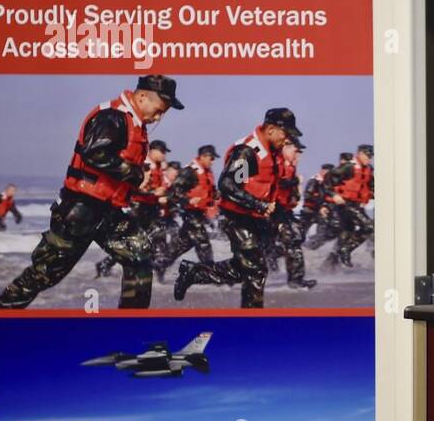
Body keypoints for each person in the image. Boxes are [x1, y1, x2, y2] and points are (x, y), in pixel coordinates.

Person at [0, 75, 182, 309]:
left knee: (140, 255)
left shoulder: (134, 122)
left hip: (108, 212)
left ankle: (130, 327)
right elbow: (95, 153)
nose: (158, 117)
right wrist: (135, 175)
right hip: (78, 211)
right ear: (142, 97)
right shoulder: (113, 117)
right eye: (159, 110)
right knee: (45, 274)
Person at [173, 108, 302, 308]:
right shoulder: (249, 152)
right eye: (285, 134)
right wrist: (258, 204)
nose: (287, 139)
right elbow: (228, 185)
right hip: (237, 217)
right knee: (256, 270)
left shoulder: (273, 152)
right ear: (270, 130)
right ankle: (251, 317)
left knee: (245, 267)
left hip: (256, 218)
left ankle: (195, 272)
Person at [95, 138, 170, 278]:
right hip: (139, 207)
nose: (164, 155)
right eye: (162, 151)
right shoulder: (145, 165)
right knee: (134, 240)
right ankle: (106, 264)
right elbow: (135, 187)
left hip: (151, 207)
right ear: (153, 151)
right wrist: (155, 192)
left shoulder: (159, 166)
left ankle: (156, 271)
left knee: (157, 238)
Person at [154, 145, 219, 279]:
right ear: (202, 157)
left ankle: (159, 265)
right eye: (211, 158)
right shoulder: (190, 171)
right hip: (191, 214)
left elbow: (210, 190)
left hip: (200, 214)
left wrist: (216, 196)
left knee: (181, 245)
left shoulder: (206, 172)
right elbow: (173, 191)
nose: (212, 162)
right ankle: (212, 274)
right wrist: (188, 201)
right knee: (203, 243)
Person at [266, 139, 317, 289]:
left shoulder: (290, 166)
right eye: (296, 151)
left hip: (283, 211)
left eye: (300, 153)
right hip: (270, 210)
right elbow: (274, 183)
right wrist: (295, 181)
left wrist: (295, 194)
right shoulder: (275, 162)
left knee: (295, 237)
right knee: (257, 246)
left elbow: (289, 191)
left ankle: (295, 279)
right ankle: (227, 277)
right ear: (286, 149)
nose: (298, 156)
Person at [326, 144, 373, 269]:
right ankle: (345, 250)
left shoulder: (369, 169)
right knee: (369, 227)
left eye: (371, 156)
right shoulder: (349, 167)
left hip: (356, 204)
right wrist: (333, 194)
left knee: (347, 232)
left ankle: (330, 264)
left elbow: (372, 186)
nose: (369, 158)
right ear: (360, 154)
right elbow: (328, 178)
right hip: (346, 204)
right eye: (367, 155)